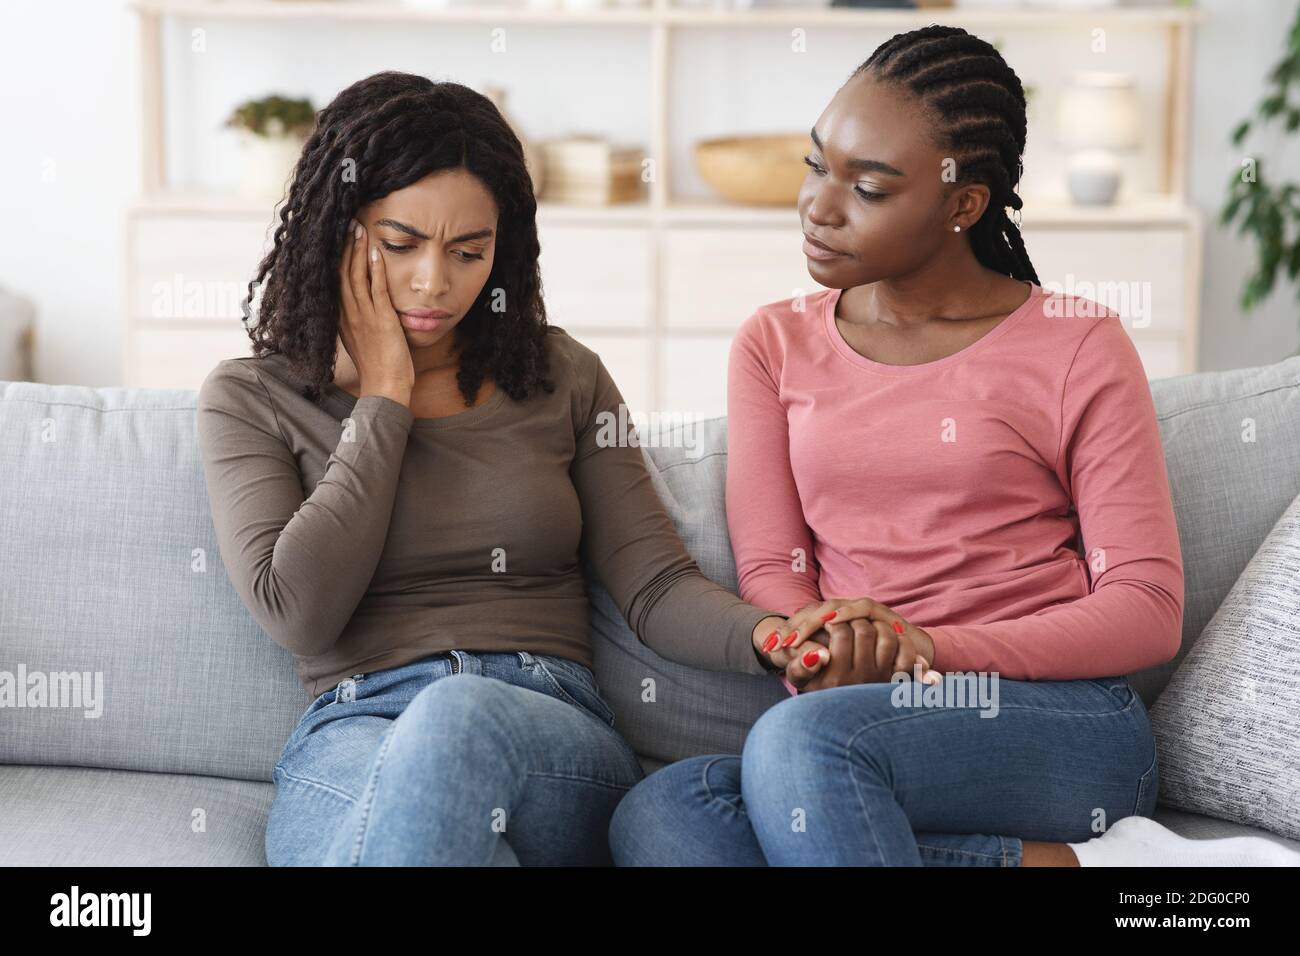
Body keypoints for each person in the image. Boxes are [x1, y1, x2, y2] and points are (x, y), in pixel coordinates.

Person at [608, 24, 1298, 867]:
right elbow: (776, 574)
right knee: (667, 813)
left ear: (961, 203)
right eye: (817, 164)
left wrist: (924, 648)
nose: (820, 206)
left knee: (802, 751)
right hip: (856, 717)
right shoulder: (773, 343)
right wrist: (821, 650)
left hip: (1060, 721)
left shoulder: (1077, 342)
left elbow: (1146, 609)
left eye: (868, 187)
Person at [195, 71, 841, 866]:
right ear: (339, 233)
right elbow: (299, 612)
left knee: (456, 719)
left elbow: (654, 586)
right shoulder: (251, 397)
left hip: (546, 732)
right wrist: (386, 397)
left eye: (469, 252)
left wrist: (768, 636)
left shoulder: (561, 374)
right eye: (401, 246)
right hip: (354, 732)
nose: (435, 283)